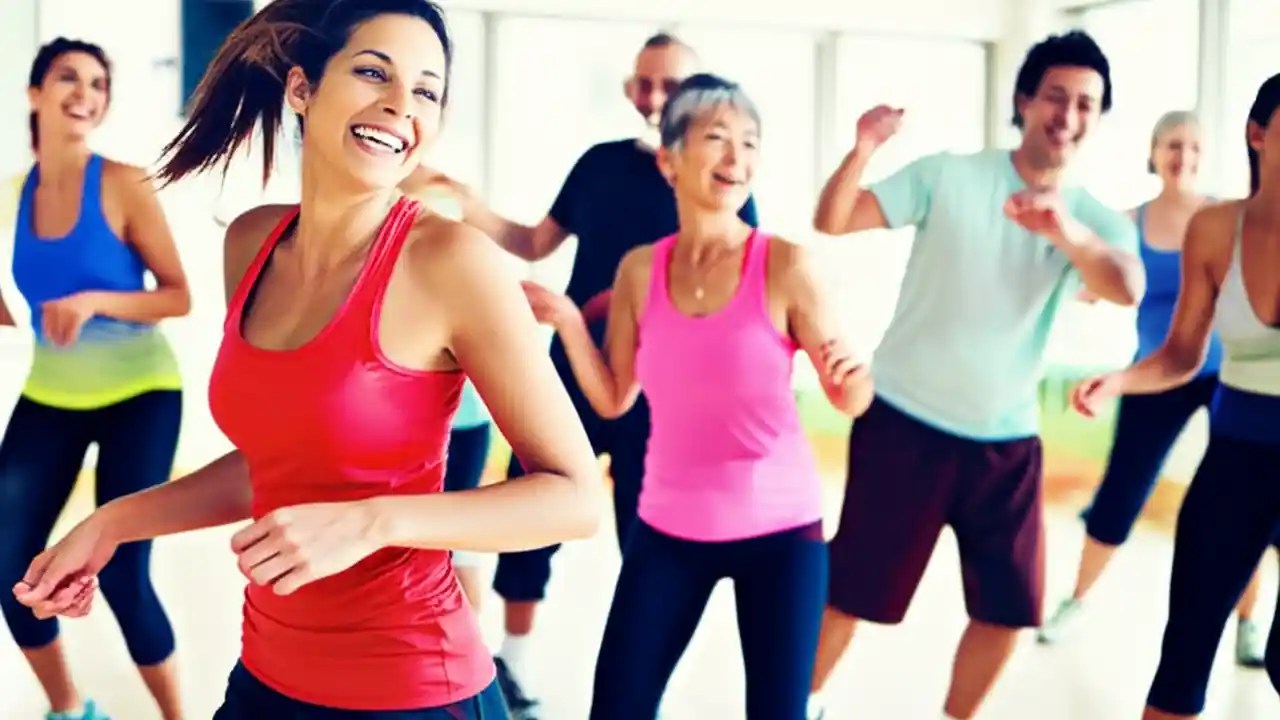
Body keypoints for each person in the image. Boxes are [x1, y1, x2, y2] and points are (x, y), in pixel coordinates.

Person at [11, 2, 603, 718]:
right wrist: (111, 523)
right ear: (301, 89)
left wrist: (375, 521)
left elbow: (572, 498)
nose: (398, 105)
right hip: (265, 677)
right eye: (371, 71)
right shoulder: (252, 244)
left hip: (414, 689)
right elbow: (276, 465)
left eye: (426, 90)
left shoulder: (453, 261)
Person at [413, 32, 760, 717]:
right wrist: (468, 201)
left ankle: (640, 681)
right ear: (631, 91)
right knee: (528, 509)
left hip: (657, 389)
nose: (655, 96)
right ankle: (515, 669)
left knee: (647, 542)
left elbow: (738, 285)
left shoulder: (721, 185)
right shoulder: (599, 165)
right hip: (567, 373)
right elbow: (536, 243)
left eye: (672, 85)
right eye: (645, 83)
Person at [806, 31, 1144, 720]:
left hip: (1006, 440)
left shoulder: (1095, 220)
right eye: (1056, 96)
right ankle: (794, 705)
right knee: (853, 595)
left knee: (1012, 609)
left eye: (1087, 103)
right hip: (903, 422)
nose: (1069, 115)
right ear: (1024, 100)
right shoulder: (950, 175)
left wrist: (1063, 234)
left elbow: (1127, 285)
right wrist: (865, 147)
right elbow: (834, 219)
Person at [522, 73, 872, 720]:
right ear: (669, 159)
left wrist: (853, 375)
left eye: (749, 141)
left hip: (781, 534)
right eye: (716, 138)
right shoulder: (638, 271)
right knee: (618, 708)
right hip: (669, 529)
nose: (737, 157)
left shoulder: (787, 265)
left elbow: (850, 394)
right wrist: (570, 322)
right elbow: (614, 399)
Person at [1072, 72, 1280, 720]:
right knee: (1183, 657)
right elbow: (1183, 352)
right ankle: (1074, 598)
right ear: (1257, 135)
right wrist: (1118, 380)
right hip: (1236, 460)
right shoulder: (1216, 228)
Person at [0, 37, 191, 720]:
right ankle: (70, 709)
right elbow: (15, 307)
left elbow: (177, 296)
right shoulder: (13, 195)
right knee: (7, 564)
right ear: (34, 94)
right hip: (52, 394)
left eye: (97, 84)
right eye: (67, 79)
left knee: (124, 577)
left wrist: (93, 301)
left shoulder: (122, 183)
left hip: (141, 395)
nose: (85, 93)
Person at [400, 168, 494, 611]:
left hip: (464, 430)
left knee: (456, 548)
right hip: (410, 435)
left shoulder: (466, 284)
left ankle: (478, 655)